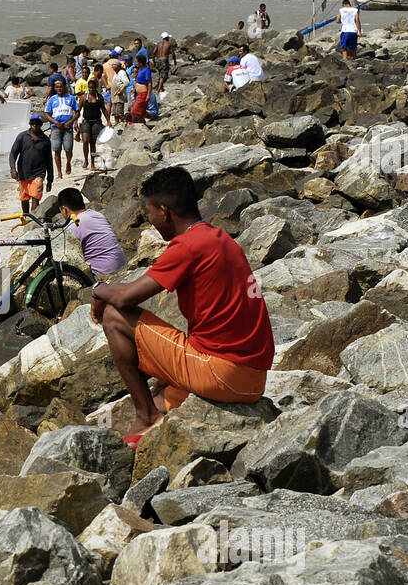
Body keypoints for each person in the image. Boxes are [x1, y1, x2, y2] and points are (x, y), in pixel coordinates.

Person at [91, 166, 274, 449]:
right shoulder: (218, 237)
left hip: (223, 372)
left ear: (164, 211)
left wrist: (98, 291)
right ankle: (156, 412)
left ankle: (145, 416)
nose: (150, 220)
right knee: (160, 392)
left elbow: (126, 298)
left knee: (114, 316)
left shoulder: (187, 246)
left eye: (150, 213)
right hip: (252, 379)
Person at [58, 187, 126, 275]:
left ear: (64, 209)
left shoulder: (74, 224)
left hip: (102, 273)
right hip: (121, 266)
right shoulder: (97, 215)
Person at [8, 115, 52, 215]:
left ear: (41, 125)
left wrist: (50, 179)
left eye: (37, 123)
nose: (34, 125)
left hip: (39, 173)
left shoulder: (45, 140)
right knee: (24, 198)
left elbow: (49, 160)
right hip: (23, 172)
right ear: (29, 124)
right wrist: (13, 169)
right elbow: (13, 154)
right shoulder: (22, 136)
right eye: (32, 123)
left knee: (36, 197)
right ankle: (26, 217)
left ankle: (33, 218)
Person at [44, 77, 80, 183]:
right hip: (56, 127)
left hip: (68, 127)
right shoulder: (52, 100)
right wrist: (55, 122)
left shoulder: (71, 98)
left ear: (64, 87)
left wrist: (71, 122)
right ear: (55, 88)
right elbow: (47, 114)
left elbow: (77, 112)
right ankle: (59, 172)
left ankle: (68, 162)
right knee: (57, 150)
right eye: (57, 87)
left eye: (61, 86)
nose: (59, 88)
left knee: (68, 149)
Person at [77, 78, 110, 170]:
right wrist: (75, 121)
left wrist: (108, 121)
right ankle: (86, 160)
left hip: (96, 121)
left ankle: (92, 162)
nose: (91, 90)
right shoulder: (84, 97)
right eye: (90, 88)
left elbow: (103, 109)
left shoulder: (99, 97)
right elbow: (78, 110)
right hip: (86, 121)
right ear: (88, 88)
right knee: (85, 141)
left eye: (93, 88)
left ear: (96, 88)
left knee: (92, 143)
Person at [130, 54, 153, 127]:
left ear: (140, 62)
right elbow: (138, 81)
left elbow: (149, 83)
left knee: (134, 111)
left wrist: (148, 95)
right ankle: (143, 126)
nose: (136, 63)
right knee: (140, 113)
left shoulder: (146, 70)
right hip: (139, 94)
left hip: (143, 93)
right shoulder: (139, 70)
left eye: (136, 62)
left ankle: (135, 126)